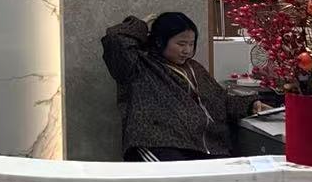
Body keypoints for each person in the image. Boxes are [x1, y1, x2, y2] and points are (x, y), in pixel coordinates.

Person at [102, 12, 268, 160]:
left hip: (206, 146)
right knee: (181, 180)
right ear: (159, 42)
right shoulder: (139, 66)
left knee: (229, 175)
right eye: (181, 44)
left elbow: (220, 101)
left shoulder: (194, 68)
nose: (187, 50)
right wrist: (139, 27)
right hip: (158, 144)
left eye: (191, 44)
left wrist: (251, 104)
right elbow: (115, 40)